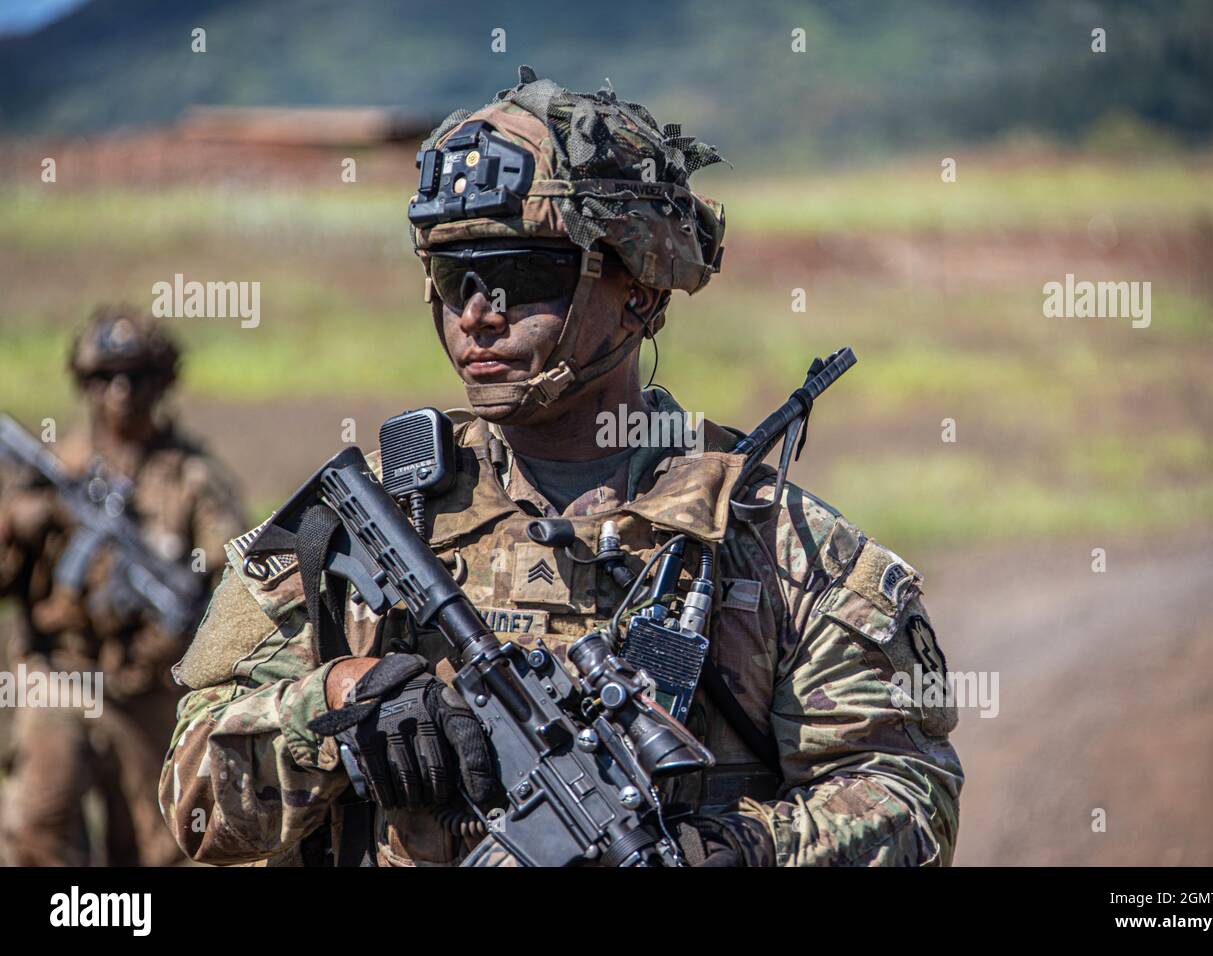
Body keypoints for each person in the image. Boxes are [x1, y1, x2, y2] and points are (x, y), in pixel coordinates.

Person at [161, 68, 962, 867]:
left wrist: (741, 849)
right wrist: (334, 707)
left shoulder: (782, 546)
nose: (477, 314)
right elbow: (192, 811)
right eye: (451, 278)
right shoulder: (363, 523)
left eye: (522, 277)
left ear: (641, 288)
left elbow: (910, 798)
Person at [0, 305, 245, 865]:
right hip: (60, 673)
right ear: (83, 383)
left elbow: (230, 575)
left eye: (137, 375)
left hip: (150, 688)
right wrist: (20, 523)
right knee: (39, 822)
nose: (120, 390)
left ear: (163, 380)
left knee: (161, 847)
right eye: (103, 376)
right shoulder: (55, 469)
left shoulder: (193, 477)